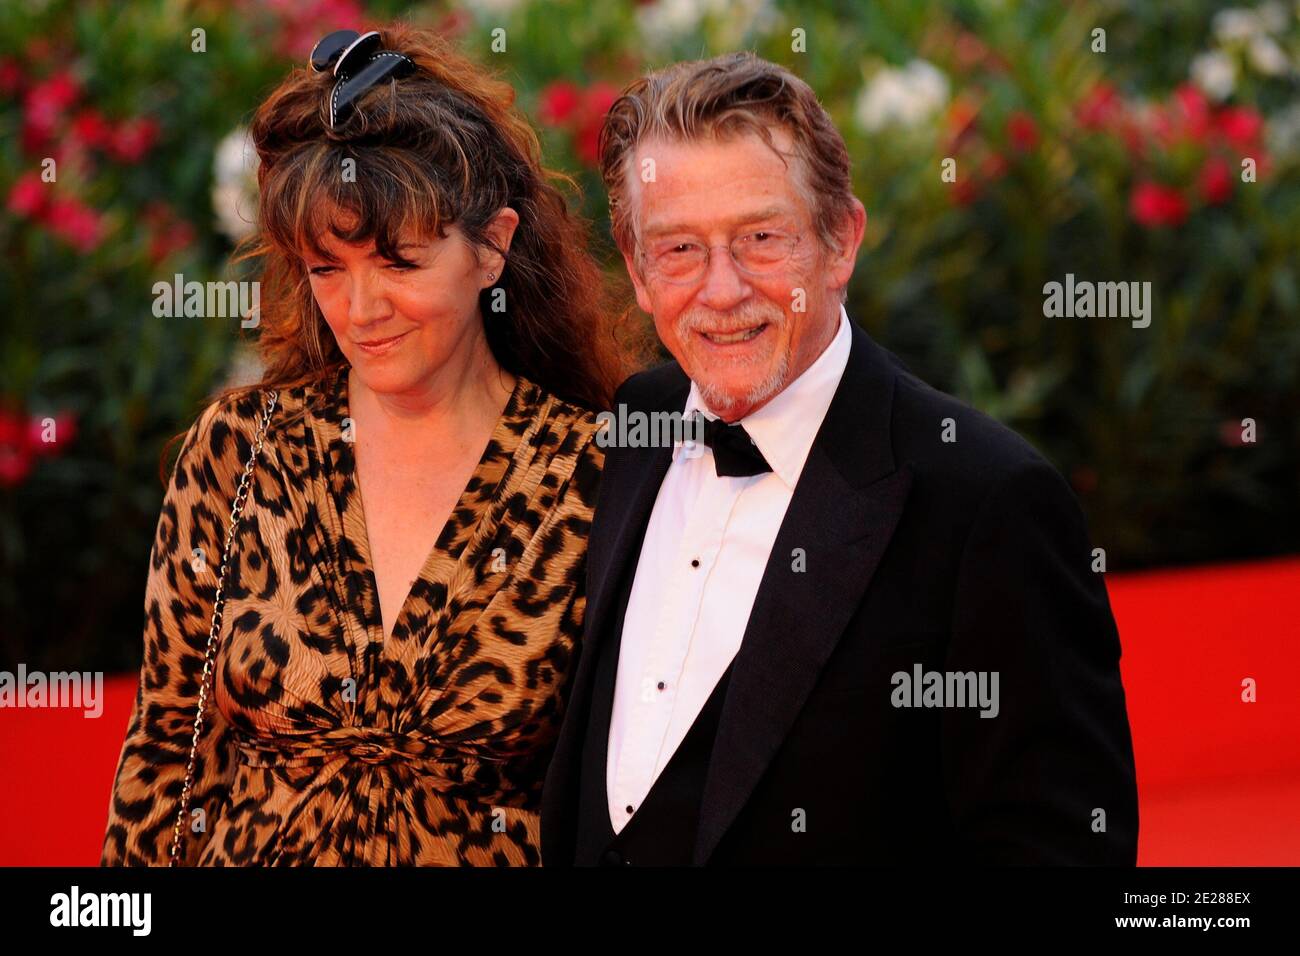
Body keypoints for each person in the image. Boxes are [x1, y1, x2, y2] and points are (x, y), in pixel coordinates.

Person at [541, 52, 1139, 865]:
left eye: (760, 238)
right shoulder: (630, 426)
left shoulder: (987, 502)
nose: (721, 291)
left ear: (840, 240)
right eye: (679, 248)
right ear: (637, 266)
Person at [101, 25, 623, 866]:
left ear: (491, 247)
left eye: (399, 264)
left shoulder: (598, 472)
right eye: (327, 268)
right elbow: (167, 750)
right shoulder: (239, 451)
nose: (361, 309)